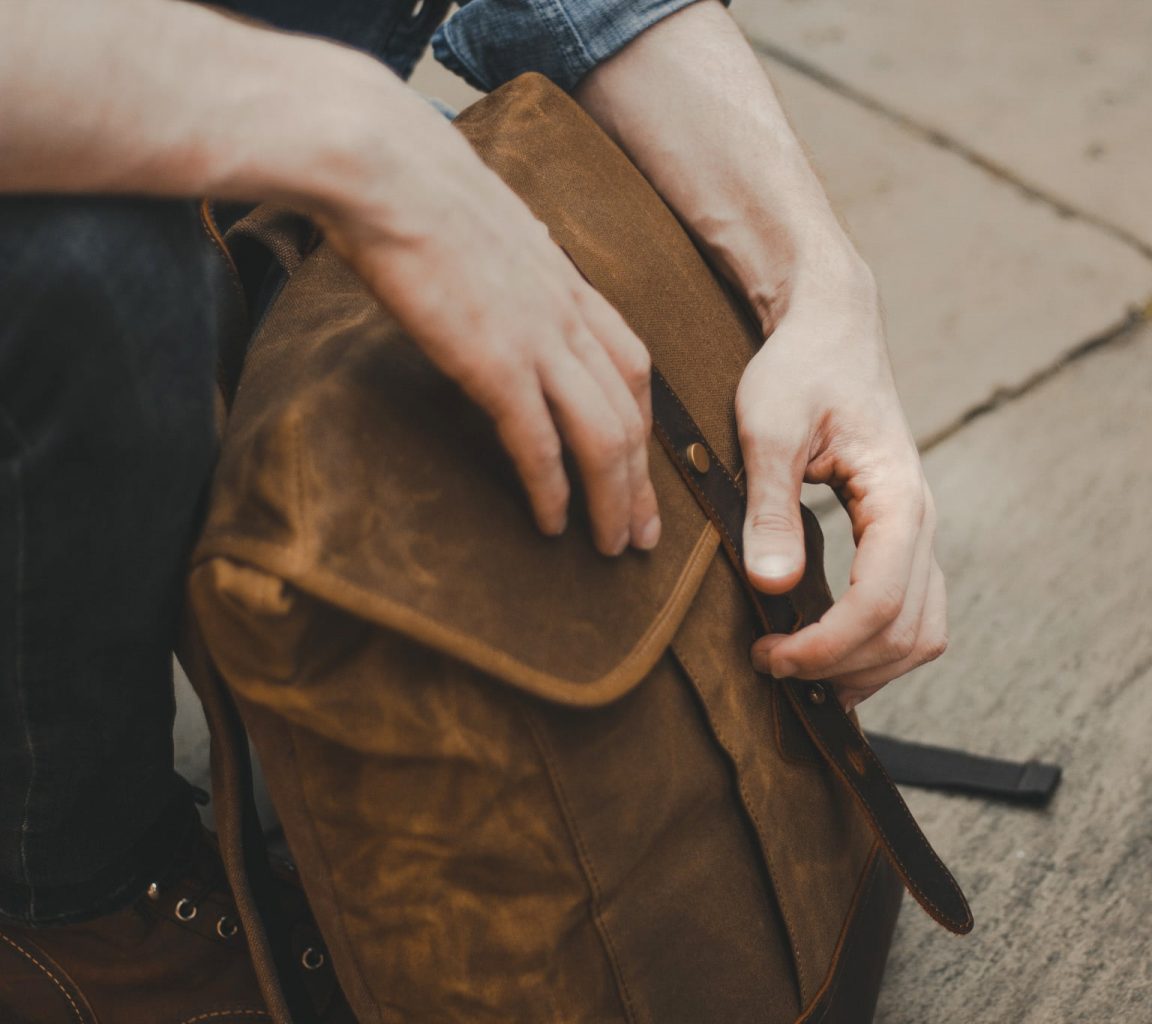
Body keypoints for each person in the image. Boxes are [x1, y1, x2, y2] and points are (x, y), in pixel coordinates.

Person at [0, 0, 948, 1015]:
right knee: (87, 263)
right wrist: (352, 133)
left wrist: (815, 285)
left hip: (225, 120)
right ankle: (75, 902)